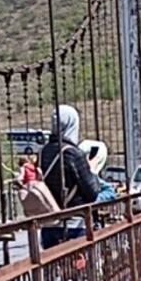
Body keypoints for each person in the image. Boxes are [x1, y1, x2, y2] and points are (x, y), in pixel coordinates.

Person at [38, 105, 99, 249]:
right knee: (78, 270)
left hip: (49, 225)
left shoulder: (43, 152)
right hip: (75, 225)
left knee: (52, 268)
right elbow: (92, 193)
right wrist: (92, 170)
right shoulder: (73, 154)